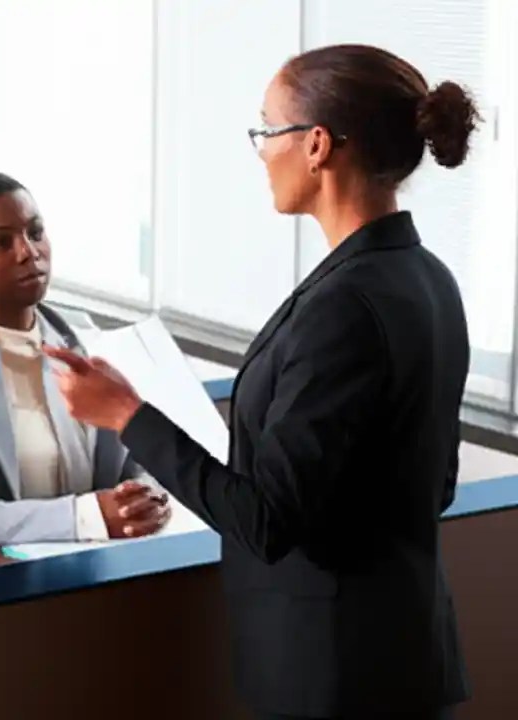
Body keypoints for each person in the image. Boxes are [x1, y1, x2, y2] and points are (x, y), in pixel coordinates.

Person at [47, 44, 477, 720]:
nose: (260, 152)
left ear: (315, 146)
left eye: (266, 129)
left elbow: (266, 521)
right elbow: (435, 483)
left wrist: (128, 416)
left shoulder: (344, 306)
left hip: (338, 676)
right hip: (403, 657)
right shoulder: (427, 278)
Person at [0, 171, 169, 549]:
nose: (28, 252)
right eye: (1, 242)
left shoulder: (84, 340)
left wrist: (146, 500)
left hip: (96, 570)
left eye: (35, 232)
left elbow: (132, 461)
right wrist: (82, 517)